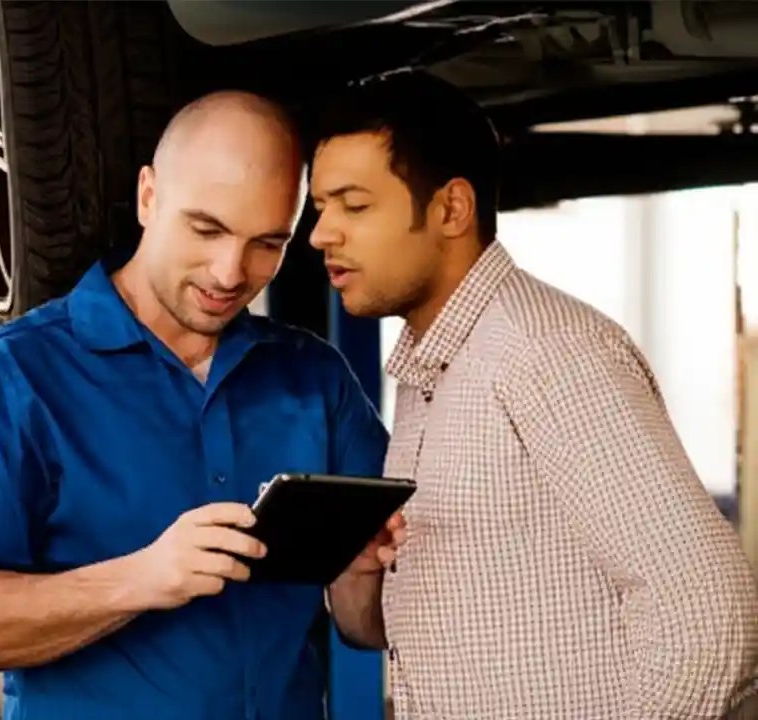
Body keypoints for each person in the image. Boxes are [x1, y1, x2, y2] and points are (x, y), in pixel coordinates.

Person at [0, 89, 402, 720]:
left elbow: (365, 628)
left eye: (267, 243)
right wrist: (141, 579)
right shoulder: (11, 378)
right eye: (207, 229)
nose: (230, 272)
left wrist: (362, 573)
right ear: (149, 196)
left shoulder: (315, 378)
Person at [308, 69, 758, 719]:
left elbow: (707, 614)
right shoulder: (432, 370)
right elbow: (425, 632)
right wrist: (359, 572)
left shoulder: (547, 354)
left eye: (354, 206)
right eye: (320, 208)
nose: (322, 234)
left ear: (451, 209)